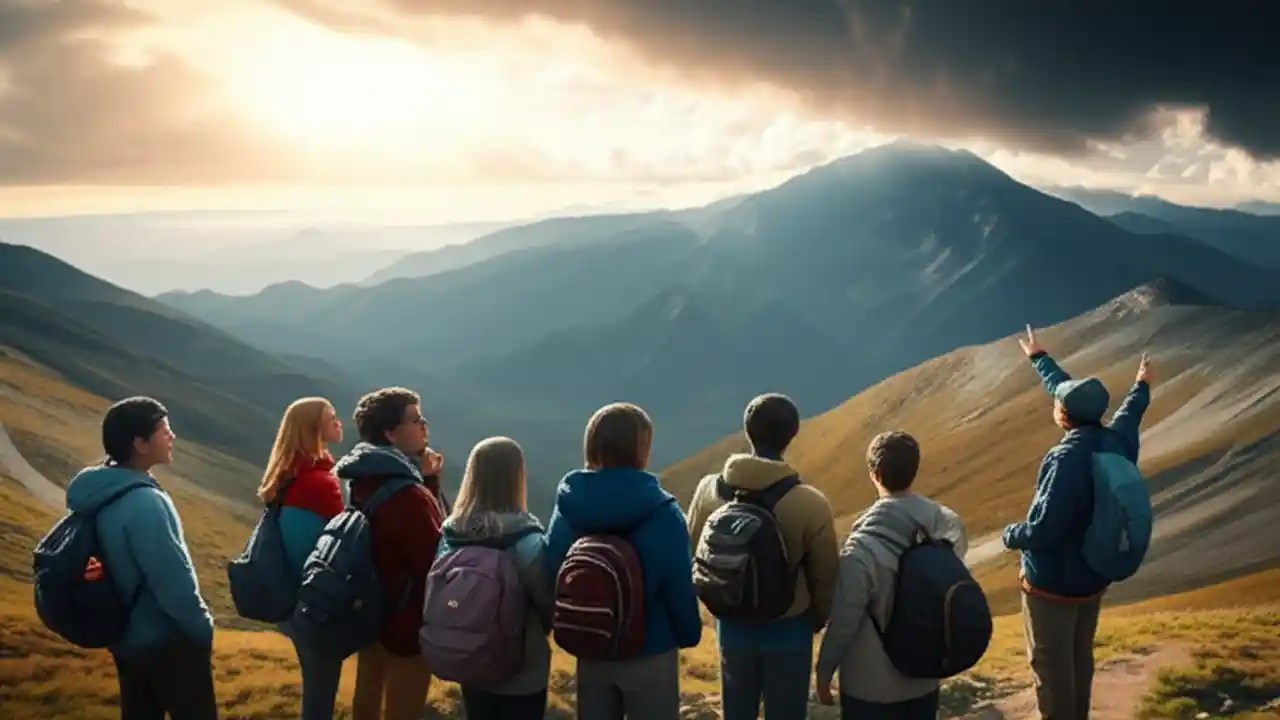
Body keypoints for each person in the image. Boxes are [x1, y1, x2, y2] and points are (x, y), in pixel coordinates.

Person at [1003, 325, 1153, 720]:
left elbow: (1044, 529)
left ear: (1063, 417)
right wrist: (1040, 359)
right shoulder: (1116, 440)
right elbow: (1128, 408)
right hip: (1093, 576)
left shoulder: (1064, 459)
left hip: (1051, 585)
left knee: (1051, 667)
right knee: (1079, 660)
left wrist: (1011, 535)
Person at [685, 393, 839, 720]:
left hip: (731, 621)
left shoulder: (708, 490)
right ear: (792, 434)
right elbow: (826, 576)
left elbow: (697, 547)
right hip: (789, 627)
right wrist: (816, 619)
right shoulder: (809, 503)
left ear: (747, 431)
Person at [545, 402, 702, 719]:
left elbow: (553, 567)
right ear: (641, 448)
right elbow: (679, 585)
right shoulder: (663, 512)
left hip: (592, 644)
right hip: (651, 648)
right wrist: (688, 634)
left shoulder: (571, 505)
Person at [64, 397, 218, 720]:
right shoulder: (146, 503)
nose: (172, 436)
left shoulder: (100, 492)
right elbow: (173, 585)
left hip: (126, 642)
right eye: (164, 429)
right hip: (167, 645)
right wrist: (202, 628)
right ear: (140, 443)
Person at [815, 431, 968, 719]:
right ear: (915, 468)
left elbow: (845, 619)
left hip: (870, 688)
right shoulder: (947, 526)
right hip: (925, 676)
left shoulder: (861, 547)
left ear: (875, 473)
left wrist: (824, 672)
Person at [334, 387, 447, 720]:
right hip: (406, 626)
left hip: (370, 612)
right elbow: (433, 561)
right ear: (390, 433)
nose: (425, 425)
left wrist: (427, 482)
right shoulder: (409, 496)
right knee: (403, 709)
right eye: (415, 419)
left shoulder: (362, 478)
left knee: (367, 699)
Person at [432, 437, 553, 720]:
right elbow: (548, 603)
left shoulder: (451, 535)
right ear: (516, 478)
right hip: (523, 667)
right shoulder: (527, 540)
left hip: (470, 659)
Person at [255, 397, 345, 720]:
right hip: (315, 603)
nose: (339, 422)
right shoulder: (321, 483)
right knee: (321, 697)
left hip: (293, 599)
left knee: (316, 689)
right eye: (331, 417)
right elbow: (344, 542)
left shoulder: (290, 475)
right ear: (313, 429)